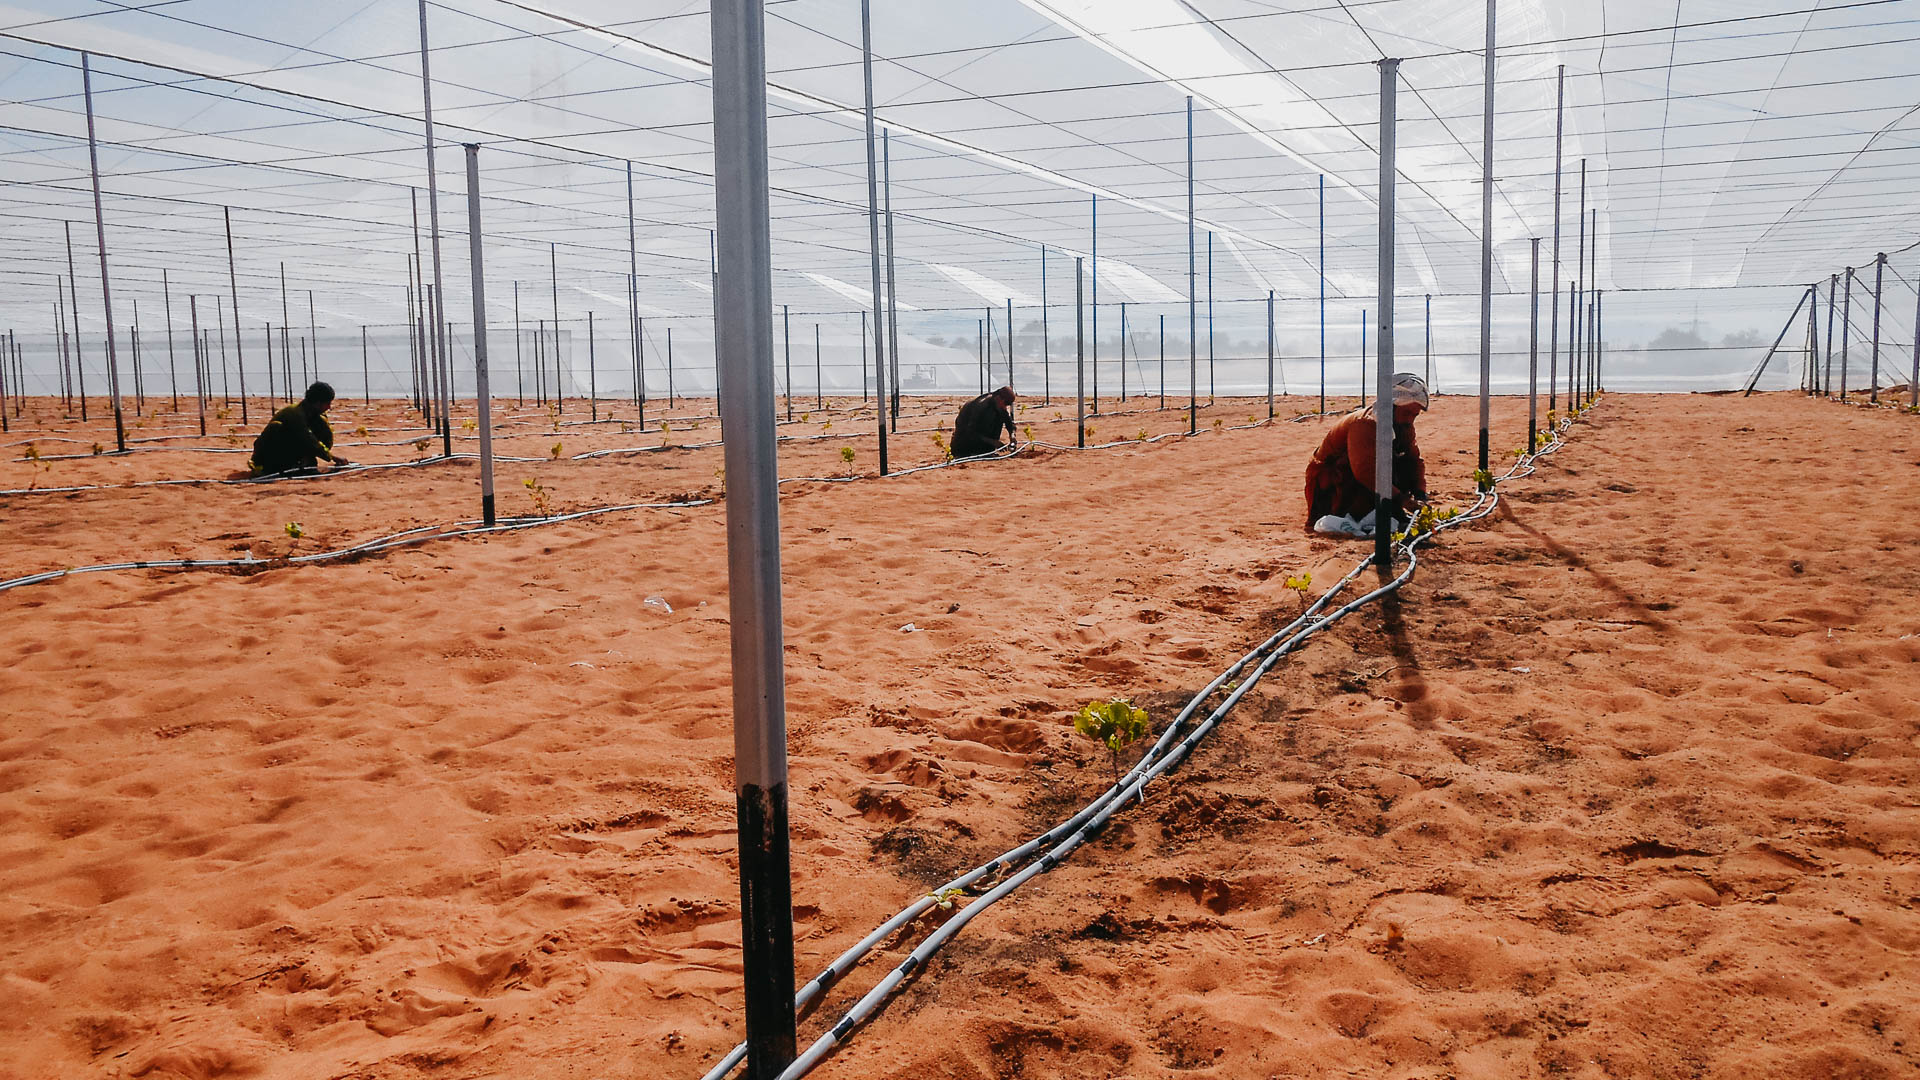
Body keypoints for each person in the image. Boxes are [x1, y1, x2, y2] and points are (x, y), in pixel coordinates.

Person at [1303, 373, 1429, 537]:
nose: (1410, 419)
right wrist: (1401, 500)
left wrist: (1420, 492)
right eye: (1407, 413)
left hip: (1365, 475)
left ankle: (1383, 511)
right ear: (1391, 407)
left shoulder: (1403, 425)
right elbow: (1365, 471)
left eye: (1415, 415)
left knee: (1400, 463)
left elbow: (1413, 460)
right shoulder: (1365, 424)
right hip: (1335, 480)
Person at [251, 381, 351, 477]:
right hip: (270, 454)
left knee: (322, 424)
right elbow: (309, 439)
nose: (329, 407)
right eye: (327, 403)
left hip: (293, 450)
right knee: (276, 427)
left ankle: (301, 462)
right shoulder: (295, 414)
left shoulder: (316, 416)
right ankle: (274, 467)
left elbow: (321, 438)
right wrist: (332, 457)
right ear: (317, 403)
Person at [950, 385, 1019, 459]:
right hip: (963, 445)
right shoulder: (981, 406)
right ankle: (978, 451)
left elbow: (1009, 422)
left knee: (999, 417)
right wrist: (993, 442)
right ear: (999, 398)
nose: (1005, 407)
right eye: (1006, 403)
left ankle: (987, 450)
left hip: (982, 443)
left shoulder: (999, 406)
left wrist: (1012, 435)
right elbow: (970, 432)